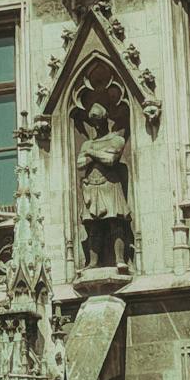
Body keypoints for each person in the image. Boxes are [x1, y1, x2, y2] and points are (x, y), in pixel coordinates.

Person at [77, 100, 131, 271]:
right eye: (94, 122)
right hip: (92, 187)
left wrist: (91, 153)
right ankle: (93, 262)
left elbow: (110, 160)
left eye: (99, 121)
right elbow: (79, 164)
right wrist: (98, 154)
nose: (96, 126)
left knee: (115, 223)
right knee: (94, 227)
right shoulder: (87, 143)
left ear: (105, 120)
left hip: (109, 185)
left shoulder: (116, 139)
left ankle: (120, 260)